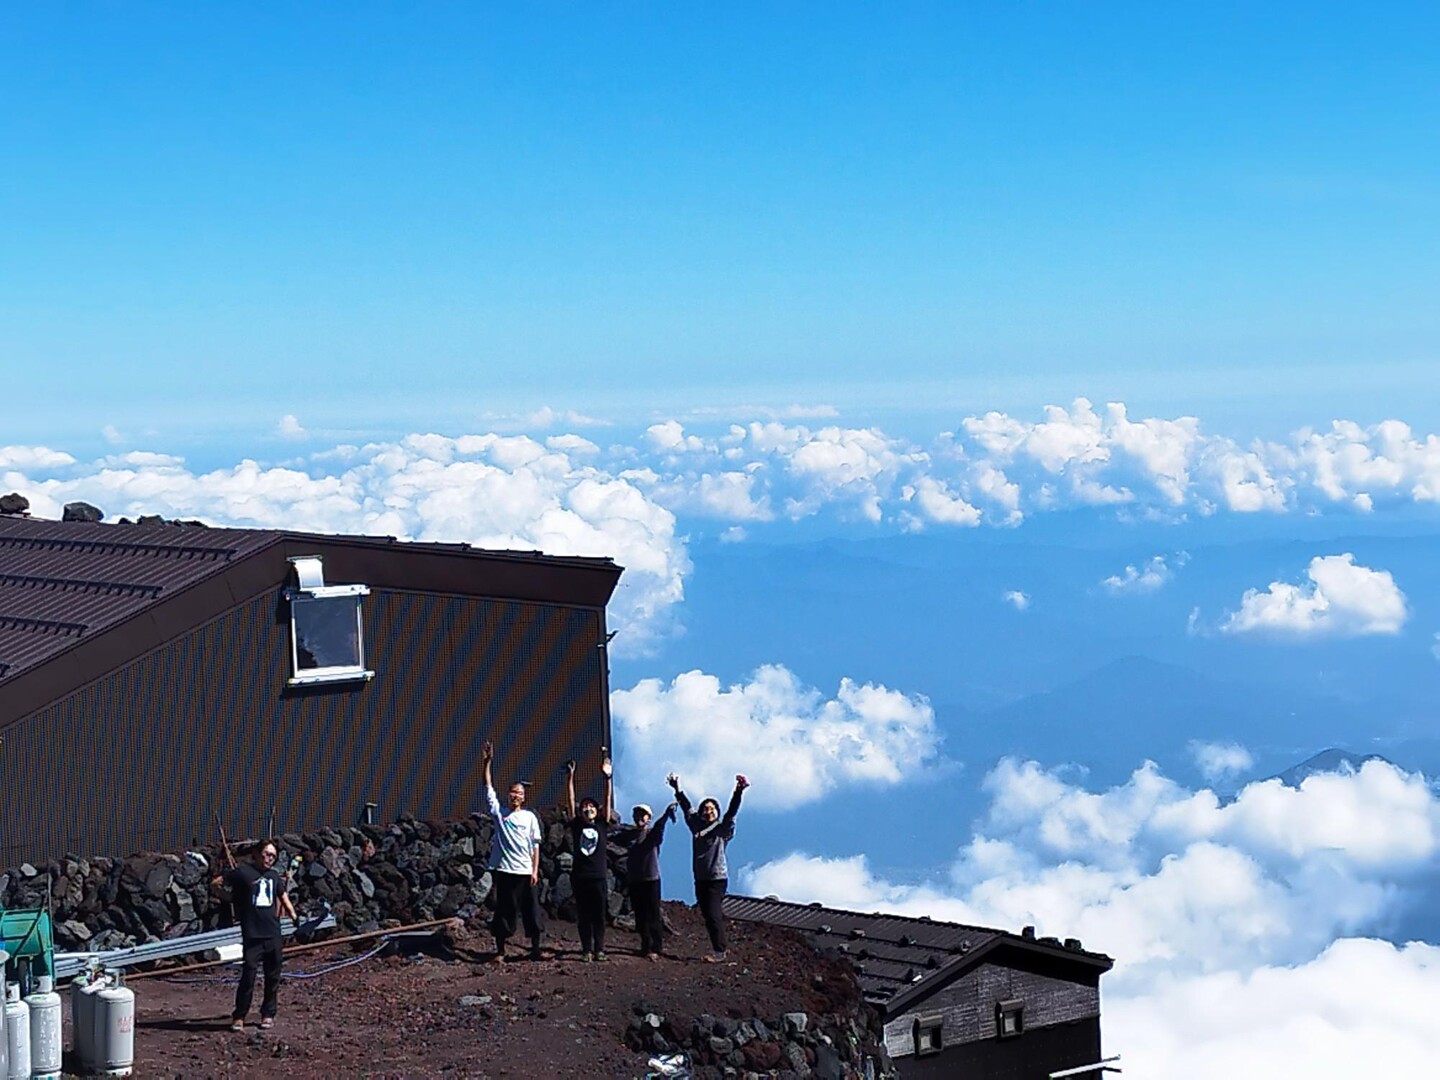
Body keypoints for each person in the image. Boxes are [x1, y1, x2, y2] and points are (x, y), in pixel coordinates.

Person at [669, 771, 749, 962]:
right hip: (700, 879)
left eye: (712, 809)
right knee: (707, 915)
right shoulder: (696, 826)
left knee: (713, 915)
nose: (709, 811)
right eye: (706, 809)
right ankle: (718, 947)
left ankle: (720, 952)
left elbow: (732, 811)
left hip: (716, 879)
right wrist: (677, 789)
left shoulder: (722, 829)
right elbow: (686, 807)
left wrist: (738, 790)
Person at [481, 739, 545, 961]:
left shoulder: (529, 817)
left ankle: (535, 948)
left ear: (524, 796)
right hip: (505, 870)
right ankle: (500, 950)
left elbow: (534, 845)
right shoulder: (500, 815)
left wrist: (535, 870)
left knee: (532, 911)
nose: (515, 795)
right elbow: (488, 788)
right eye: (512, 792)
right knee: (504, 910)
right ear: (508, 795)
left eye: (519, 792)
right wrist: (488, 762)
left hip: (526, 871)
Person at [228, 839, 297, 1032]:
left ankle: (268, 1014)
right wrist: (233, 900)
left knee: (272, 976)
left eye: (273, 856)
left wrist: (293, 915)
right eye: (266, 854)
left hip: (273, 932)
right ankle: (240, 1015)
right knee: (248, 975)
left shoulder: (274, 876)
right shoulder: (243, 872)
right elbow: (219, 884)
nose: (269, 858)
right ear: (257, 854)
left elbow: (282, 896)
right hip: (252, 933)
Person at [564, 754, 614, 961]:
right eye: (585, 807)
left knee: (599, 915)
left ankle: (599, 949)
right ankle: (586, 950)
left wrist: (607, 779)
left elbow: (607, 800)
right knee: (583, 915)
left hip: (599, 876)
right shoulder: (577, 825)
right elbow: (570, 802)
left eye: (591, 807)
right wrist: (570, 778)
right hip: (580, 877)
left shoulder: (602, 824)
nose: (588, 809)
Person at [615, 798, 677, 960]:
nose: (640, 818)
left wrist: (665, 815)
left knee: (653, 913)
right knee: (640, 914)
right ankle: (645, 944)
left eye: (643, 815)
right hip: (635, 879)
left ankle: (656, 946)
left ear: (648, 818)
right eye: (637, 814)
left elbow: (659, 827)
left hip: (651, 878)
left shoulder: (652, 835)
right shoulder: (628, 835)